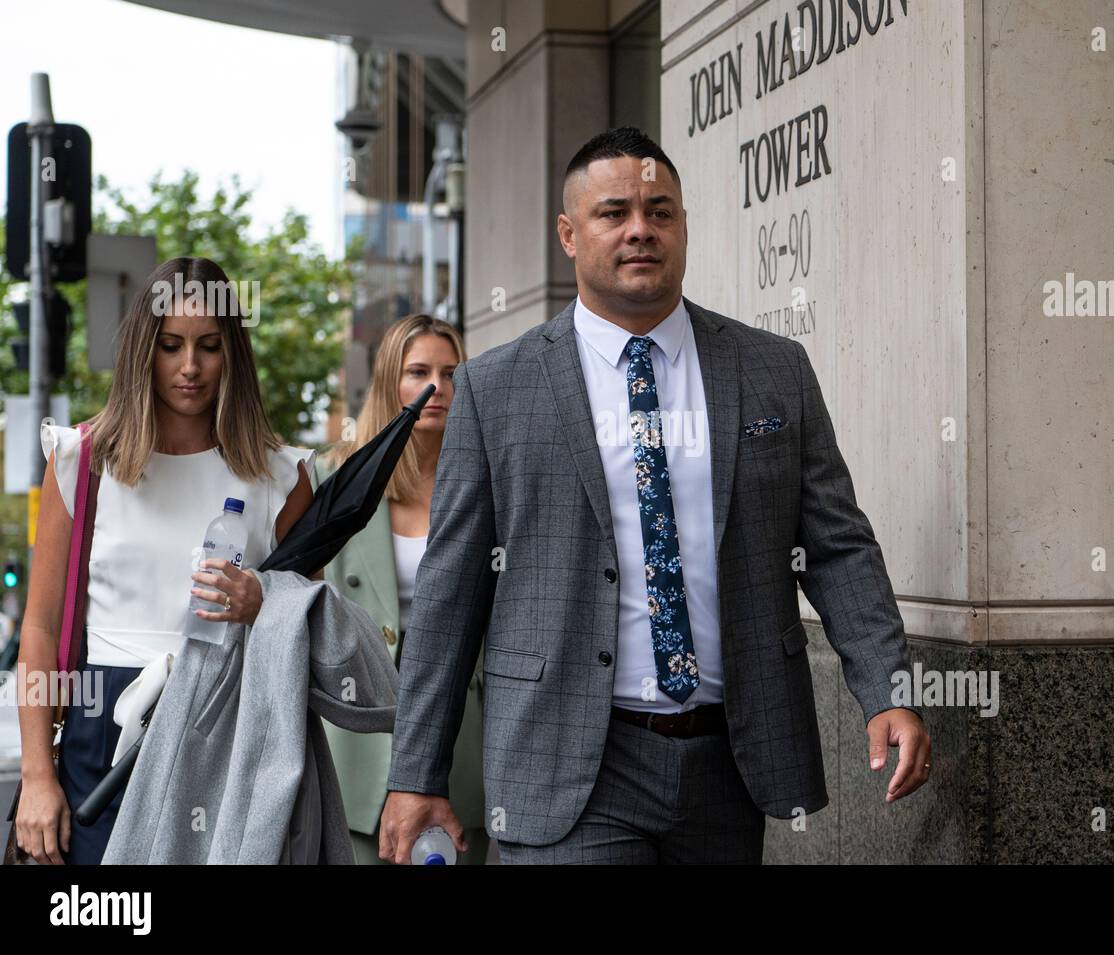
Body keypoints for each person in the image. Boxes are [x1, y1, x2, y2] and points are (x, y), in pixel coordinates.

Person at [379, 126, 932, 864]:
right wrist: (417, 770)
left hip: (729, 763)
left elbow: (837, 545)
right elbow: (450, 593)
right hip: (569, 764)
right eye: (614, 212)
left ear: (683, 227)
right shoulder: (497, 388)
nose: (640, 228)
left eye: (660, 210)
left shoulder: (773, 370)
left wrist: (886, 687)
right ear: (569, 234)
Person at [13, 257, 314, 864]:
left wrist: (264, 602)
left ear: (233, 353)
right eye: (170, 345)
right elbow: (41, 626)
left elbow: (308, 625)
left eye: (209, 346)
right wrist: (39, 779)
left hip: (227, 724)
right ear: (142, 350)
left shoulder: (283, 477)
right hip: (104, 726)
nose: (190, 367)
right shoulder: (80, 460)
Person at [314, 314, 487, 865]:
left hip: (462, 725)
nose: (437, 387)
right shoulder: (334, 479)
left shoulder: (488, 480)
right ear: (391, 381)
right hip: (359, 717)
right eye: (418, 372)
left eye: (451, 372)